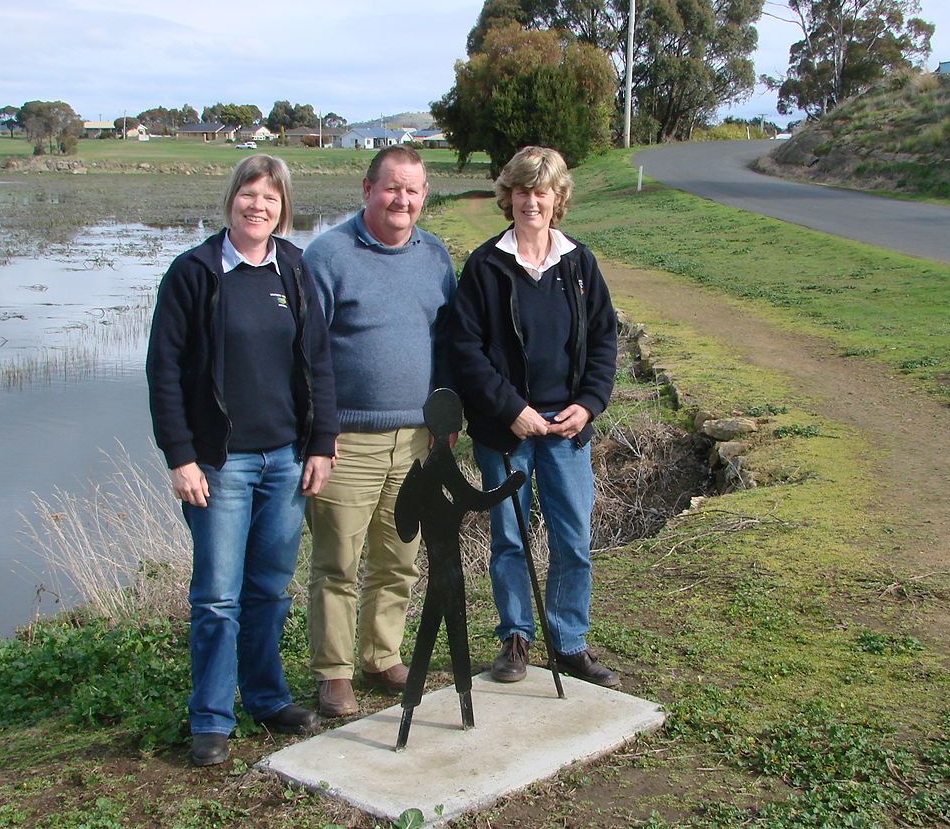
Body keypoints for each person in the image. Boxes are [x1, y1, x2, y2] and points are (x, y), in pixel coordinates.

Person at [146, 154, 339, 766]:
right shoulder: (194, 273)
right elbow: (164, 373)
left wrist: (321, 442)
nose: (260, 206)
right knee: (217, 597)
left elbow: (319, 363)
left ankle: (266, 698)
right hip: (221, 465)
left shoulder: (294, 268)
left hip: (285, 459)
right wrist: (182, 457)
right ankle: (210, 718)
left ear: (284, 207)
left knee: (269, 591)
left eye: (272, 198)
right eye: (250, 195)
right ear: (231, 200)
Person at [448, 145, 621, 688]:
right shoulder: (484, 266)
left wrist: (589, 404)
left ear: (558, 198)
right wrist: (510, 409)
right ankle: (516, 640)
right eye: (521, 191)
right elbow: (466, 350)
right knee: (509, 537)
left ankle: (568, 643)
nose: (530, 201)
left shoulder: (580, 264)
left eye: (540, 192)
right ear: (509, 196)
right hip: (507, 429)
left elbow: (603, 341)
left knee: (572, 536)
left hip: (568, 428)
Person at [303, 145, 457, 717]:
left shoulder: (436, 257)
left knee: (400, 558)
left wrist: (446, 421)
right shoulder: (327, 256)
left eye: (413, 190)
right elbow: (306, 354)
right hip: (348, 441)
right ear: (367, 188)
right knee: (337, 562)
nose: (403, 200)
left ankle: (380, 654)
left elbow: (448, 346)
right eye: (392, 187)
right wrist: (319, 434)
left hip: (416, 439)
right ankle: (333, 673)